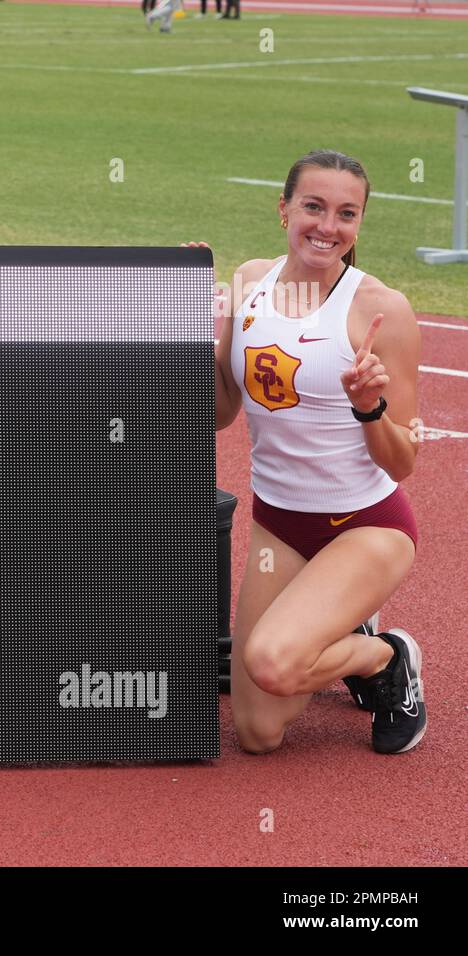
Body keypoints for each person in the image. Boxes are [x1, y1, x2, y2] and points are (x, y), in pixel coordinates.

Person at [205, 149, 426, 755]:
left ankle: (385, 656)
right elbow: (222, 411)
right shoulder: (248, 282)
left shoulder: (382, 310)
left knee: (273, 663)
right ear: (283, 209)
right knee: (256, 733)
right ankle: (341, 630)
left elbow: (403, 461)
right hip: (279, 526)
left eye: (346, 213)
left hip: (367, 527)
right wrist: (197, 334)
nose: (328, 226)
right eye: (313, 206)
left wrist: (368, 407)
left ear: (358, 225)